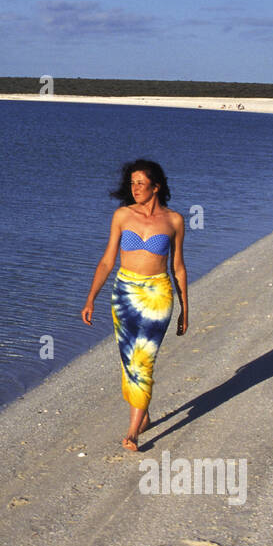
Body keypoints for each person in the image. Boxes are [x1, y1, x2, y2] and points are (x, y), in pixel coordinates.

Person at [80, 159, 188, 452]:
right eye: (132, 183)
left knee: (144, 360)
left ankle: (133, 432)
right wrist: (91, 297)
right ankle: (144, 414)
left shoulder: (174, 220)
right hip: (124, 293)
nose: (135, 188)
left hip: (158, 294)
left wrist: (184, 310)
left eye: (141, 183)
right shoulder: (122, 216)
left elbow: (178, 267)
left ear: (157, 186)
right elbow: (107, 260)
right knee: (129, 360)